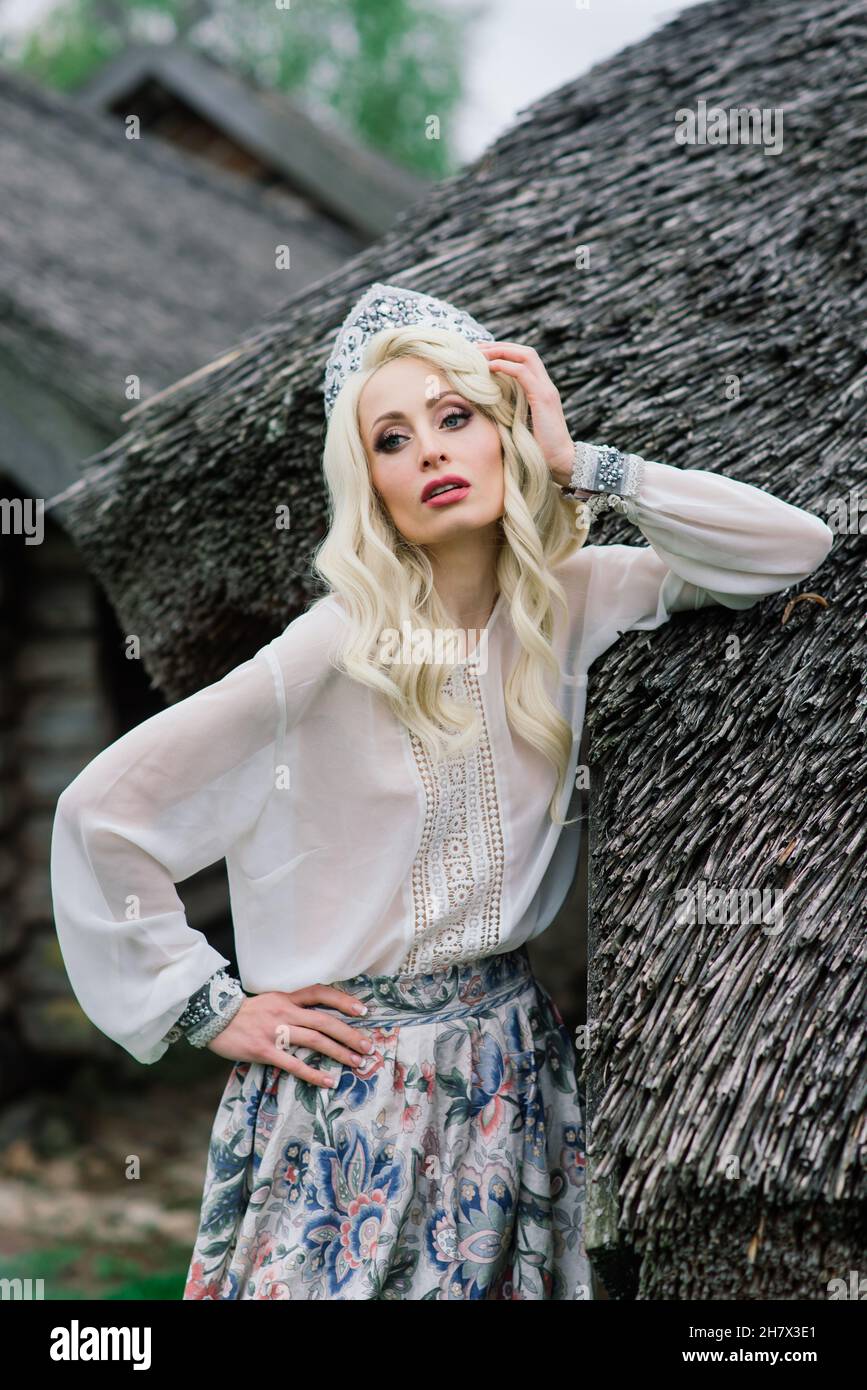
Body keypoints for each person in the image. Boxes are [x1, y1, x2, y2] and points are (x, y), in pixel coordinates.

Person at [49, 281, 834, 1301]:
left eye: (455, 418)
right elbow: (103, 811)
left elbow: (792, 549)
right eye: (391, 438)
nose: (428, 451)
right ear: (368, 481)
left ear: (501, 432)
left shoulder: (577, 595)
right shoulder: (331, 647)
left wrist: (579, 462)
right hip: (348, 1095)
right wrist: (208, 1007)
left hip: (510, 1074)